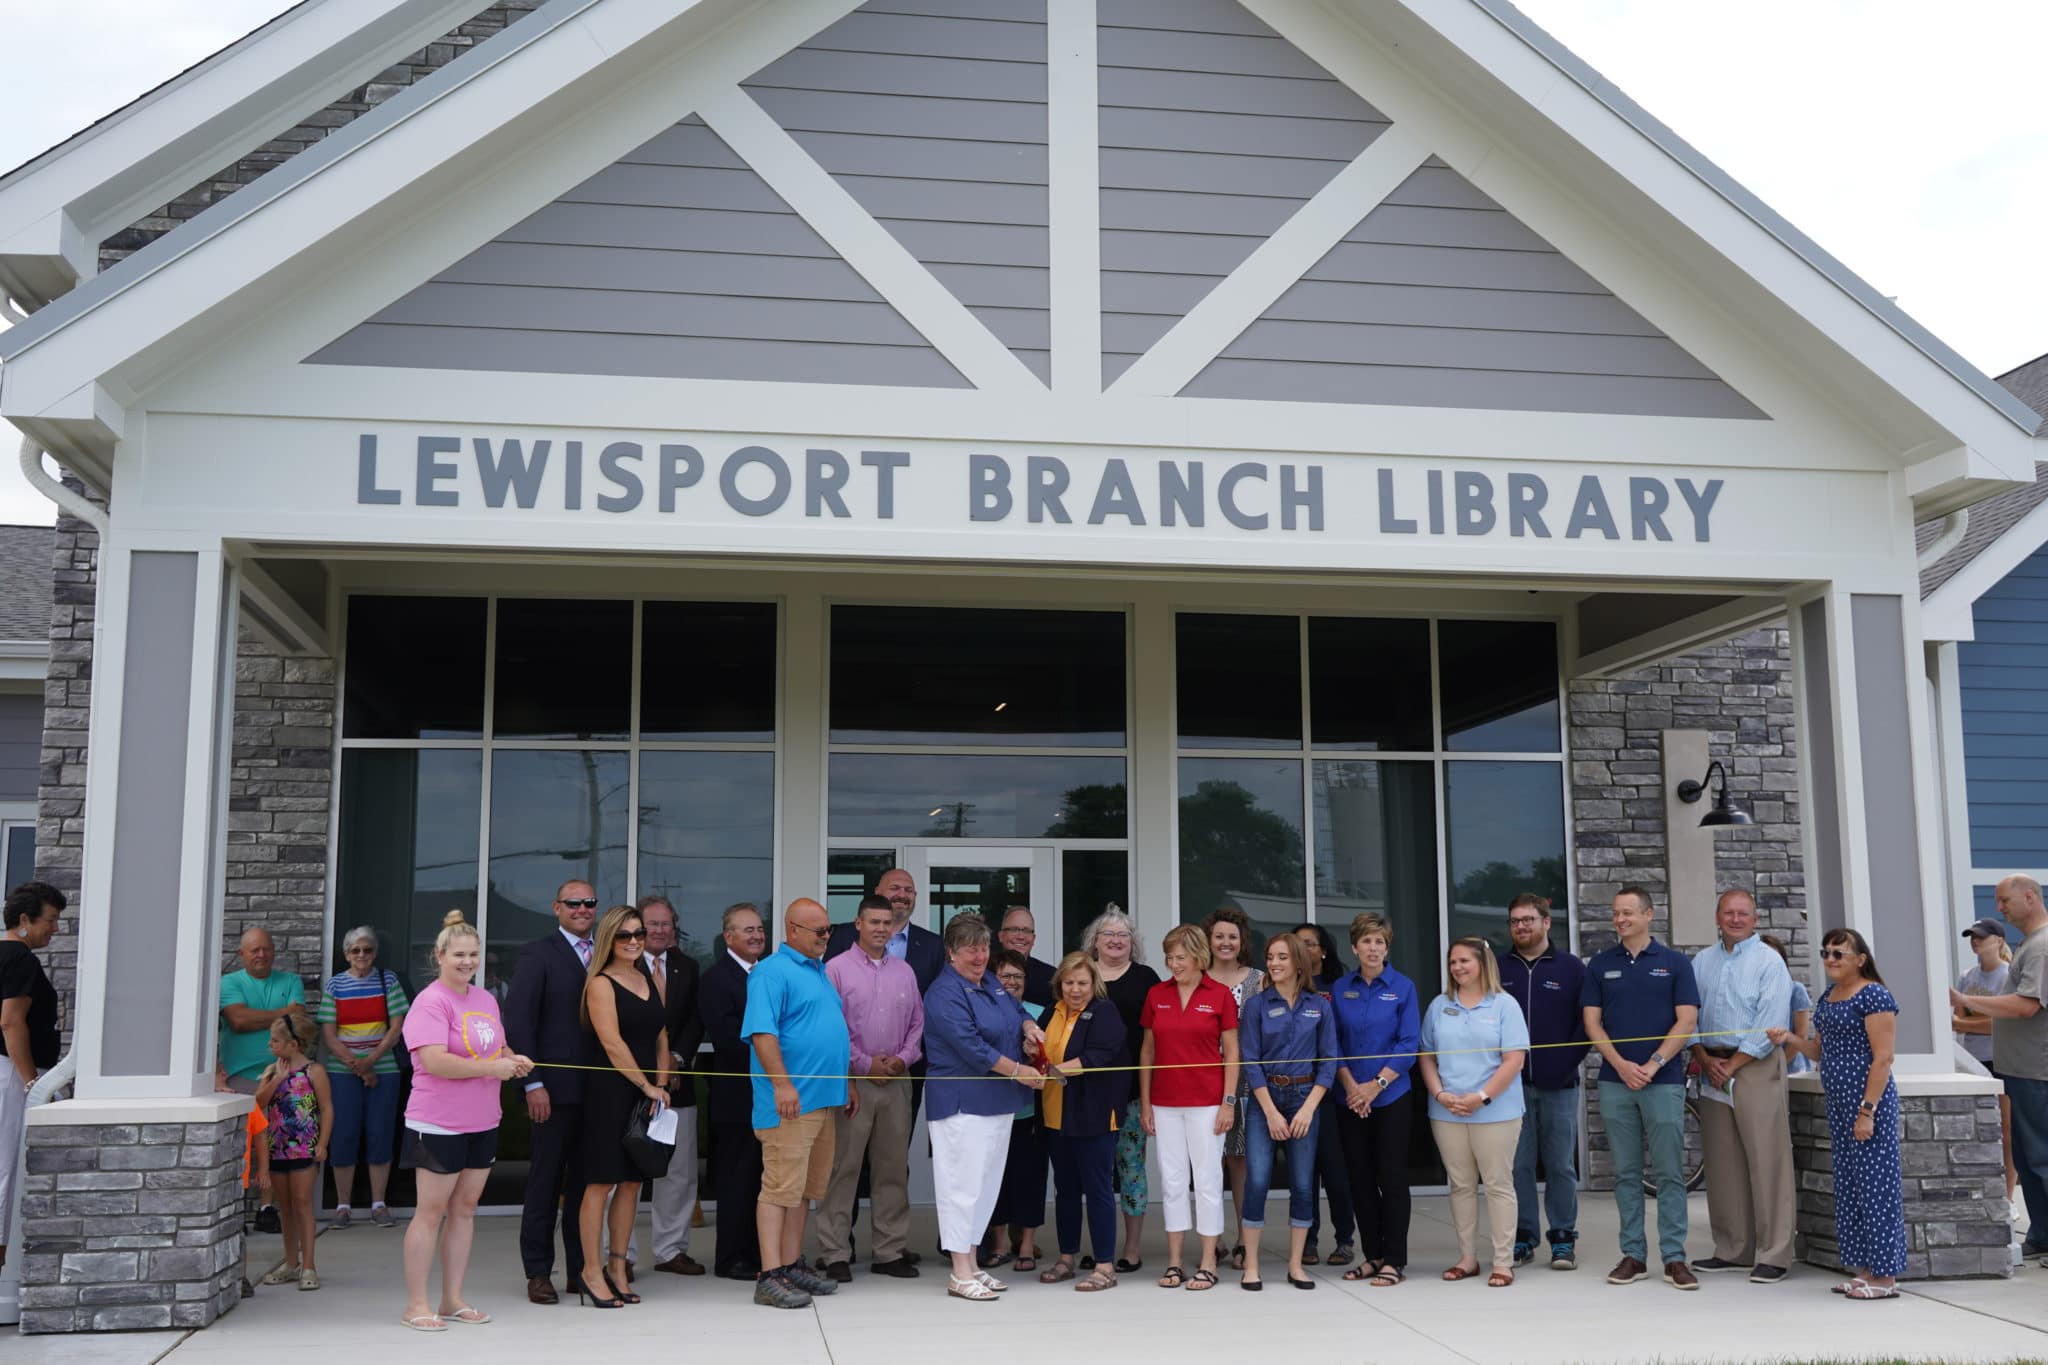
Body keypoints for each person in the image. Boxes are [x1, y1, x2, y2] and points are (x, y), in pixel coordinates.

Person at [399, 911, 534, 1331]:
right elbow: (434, 1060)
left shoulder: (486, 999)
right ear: (439, 956)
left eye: (473, 955)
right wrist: (491, 1069)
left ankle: (452, 1298)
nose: (467, 962)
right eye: (459, 954)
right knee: (430, 1212)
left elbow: (495, 1044)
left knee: (465, 1210)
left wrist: (511, 1059)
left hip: (483, 1120)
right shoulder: (430, 1001)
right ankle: (416, 1304)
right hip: (438, 1120)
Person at [1772, 928, 1904, 1300]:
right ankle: (1864, 1269)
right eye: (1826, 953)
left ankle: (1885, 1277)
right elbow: (1818, 1051)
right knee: (1851, 1188)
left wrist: (1867, 1112)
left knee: (1877, 1188)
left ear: (1860, 959)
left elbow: (1883, 1058)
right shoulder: (1829, 996)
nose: (1830, 959)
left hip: (1866, 1104)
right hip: (1839, 1103)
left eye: (1839, 954)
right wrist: (1789, 1039)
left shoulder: (1875, 995)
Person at [1582, 885, 1701, 1290]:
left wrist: (1652, 1064)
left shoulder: (1675, 964)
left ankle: (1675, 1258)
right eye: (1616, 913)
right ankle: (1633, 1254)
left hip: (1663, 1081)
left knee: (1669, 1173)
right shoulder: (1599, 965)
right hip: (1616, 1082)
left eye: (1628, 913)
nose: (1620, 919)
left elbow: (1686, 1021)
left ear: (1649, 915)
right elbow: (1592, 1024)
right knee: (1627, 1174)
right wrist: (1620, 1064)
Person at [923, 912, 1046, 1302]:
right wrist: (1018, 1070)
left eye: (983, 948)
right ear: (951, 953)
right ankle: (960, 1270)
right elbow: (971, 1047)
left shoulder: (991, 981)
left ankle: (973, 1262)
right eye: (970, 950)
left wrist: (1029, 1030)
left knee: (985, 1187)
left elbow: (1017, 1011)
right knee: (960, 1187)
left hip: (998, 1103)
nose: (979, 957)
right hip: (963, 1104)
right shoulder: (943, 992)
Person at [742, 897, 851, 1309]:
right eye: (819, 931)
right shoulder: (771, 972)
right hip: (790, 1103)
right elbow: (763, 1034)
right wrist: (783, 1085)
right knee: (778, 1190)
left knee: (804, 1191)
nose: (826, 938)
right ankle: (769, 1275)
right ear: (792, 930)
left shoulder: (818, 970)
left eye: (828, 931)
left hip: (823, 1101)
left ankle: (790, 1265)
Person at [1687, 887, 1795, 1284]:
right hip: (1711, 1063)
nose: (1735, 919)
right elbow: (1688, 1014)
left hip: (1754, 1064)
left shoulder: (1769, 962)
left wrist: (1732, 1063)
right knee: (1723, 1162)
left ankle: (1775, 1253)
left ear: (1755, 919)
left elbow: (1772, 1019)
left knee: (1767, 1161)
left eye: (1743, 913)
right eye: (1728, 913)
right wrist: (1701, 1057)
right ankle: (1733, 1248)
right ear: (1717, 917)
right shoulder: (1702, 961)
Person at [504, 880, 602, 1303]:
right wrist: (533, 1082)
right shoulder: (537, 953)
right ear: (556, 907)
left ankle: (581, 1270)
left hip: (599, 1093)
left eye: (589, 903)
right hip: (552, 1091)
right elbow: (520, 1022)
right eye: (573, 903)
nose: (582, 909)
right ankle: (538, 1272)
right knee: (545, 1183)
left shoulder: (607, 952)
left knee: (585, 1185)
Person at [818, 894, 924, 1281]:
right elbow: (832, 1027)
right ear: (858, 924)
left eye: (887, 923)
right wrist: (863, 1063)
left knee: (892, 1169)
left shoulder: (905, 972)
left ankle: (889, 1251)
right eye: (874, 922)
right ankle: (834, 1253)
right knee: (842, 1168)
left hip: (897, 1080)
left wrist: (903, 1058)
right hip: (853, 1082)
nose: (881, 928)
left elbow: (918, 1023)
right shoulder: (835, 970)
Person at [1417, 937, 1529, 1287]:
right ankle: (1467, 1258)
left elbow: (1514, 1059)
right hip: (1447, 1111)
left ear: (1483, 963)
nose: (1457, 968)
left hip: (1496, 1112)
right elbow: (1426, 1055)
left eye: (1464, 960)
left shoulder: (1504, 1005)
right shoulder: (1439, 1005)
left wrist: (1481, 1096)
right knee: (1461, 1186)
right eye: (1453, 962)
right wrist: (1439, 1093)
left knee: (1498, 1185)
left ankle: (1502, 1261)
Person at [575, 905, 670, 1309]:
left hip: (648, 1094)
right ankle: (590, 1271)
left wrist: (661, 1086)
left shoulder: (646, 976)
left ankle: (618, 1267)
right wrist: (647, 1085)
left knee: (633, 1183)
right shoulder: (600, 983)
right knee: (601, 1182)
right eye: (624, 935)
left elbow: (662, 1035)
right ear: (609, 940)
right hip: (609, 1092)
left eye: (639, 935)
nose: (633, 941)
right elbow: (613, 1043)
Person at [1950, 874, 2048, 1262]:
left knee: (2041, 1156)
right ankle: (2041, 1233)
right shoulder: (2030, 945)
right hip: (2019, 1071)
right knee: (2026, 1157)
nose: (2000, 908)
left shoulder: (2041, 948)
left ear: (2029, 897)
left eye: (2004, 900)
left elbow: (2026, 1006)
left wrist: (1963, 1001)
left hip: (2036, 1072)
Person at [1141, 923, 1240, 1292]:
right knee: (1172, 1181)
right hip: (1165, 1104)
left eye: (1180, 957)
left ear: (1198, 957)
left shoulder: (1220, 995)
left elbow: (1233, 1053)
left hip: (1207, 1103)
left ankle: (1209, 1261)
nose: (1173, 963)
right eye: (1169, 957)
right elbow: (1147, 1051)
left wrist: (1228, 1103)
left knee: (1209, 1181)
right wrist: (1147, 1103)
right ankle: (1173, 1262)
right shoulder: (1156, 994)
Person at [1236, 931, 1336, 1291]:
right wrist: (1271, 1112)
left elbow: (1329, 1061)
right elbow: (1250, 1061)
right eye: (1270, 957)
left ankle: (1296, 1265)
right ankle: (1251, 1265)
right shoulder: (1256, 1006)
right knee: (1258, 1181)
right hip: (1266, 1102)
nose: (1274, 964)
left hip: (1306, 1099)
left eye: (1282, 957)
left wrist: (1308, 1108)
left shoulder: (1319, 1005)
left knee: (1302, 1185)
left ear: (1297, 962)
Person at [1498, 892, 1588, 1271]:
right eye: (1515, 920)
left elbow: (1587, 1024)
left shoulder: (1571, 968)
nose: (1521, 926)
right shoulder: (1498, 968)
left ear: (1546, 922)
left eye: (1528, 920)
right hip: (1511, 1087)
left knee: (1560, 1165)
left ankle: (1563, 1238)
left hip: (1560, 1085)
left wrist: (1562, 1065)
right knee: (1517, 1166)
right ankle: (1523, 1237)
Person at [1330, 912, 1419, 1288]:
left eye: (1379, 941)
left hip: (1392, 1098)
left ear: (1387, 947)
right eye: (1366, 941)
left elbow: (1408, 1044)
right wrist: (1353, 1087)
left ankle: (1395, 1259)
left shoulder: (1403, 987)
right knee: (1360, 1179)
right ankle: (1373, 1255)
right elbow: (1331, 1043)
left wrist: (1375, 1086)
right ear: (1354, 947)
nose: (1373, 947)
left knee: (1393, 1178)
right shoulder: (1339, 989)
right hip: (1349, 1098)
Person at [1036, 952, 1128, 1292]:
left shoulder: (1104, 1011)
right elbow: (1037, 1049)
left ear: (1095, 984)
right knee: (1066, 1191)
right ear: (1060, 983)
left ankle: (1104, 1265)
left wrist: (1055, 1071)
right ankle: (1066, 1258)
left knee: (1098, 1190)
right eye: (1069, 982)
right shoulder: (1053, 1011)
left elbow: (1099, 1055)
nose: (1075, 990)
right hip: (1056, 1114)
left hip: (1093, 1116)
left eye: (1082, 983)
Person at [317, 925, 410, 1230]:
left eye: (367, 950)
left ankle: (379, 1204)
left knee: (380, 1133)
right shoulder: (335, 986)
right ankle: (343, 1205)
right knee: (344, 1134)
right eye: (355, 950)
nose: (361, 955)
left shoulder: (389, 980)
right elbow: (329, 1035)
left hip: (383, 1070)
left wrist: (369, 1061)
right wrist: (357, 1065)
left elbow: (396, 1028)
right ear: (346, 954)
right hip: (343, 1073)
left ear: (375, 953)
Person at [219, 925, 308, 1232]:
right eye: (254, 950)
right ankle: (235, 1212)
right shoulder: (228, 982)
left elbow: (298, 1023)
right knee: (241, 1146)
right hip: (239, 1079)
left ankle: (267, 1209)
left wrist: (280, 1016)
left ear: (274, 951)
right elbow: (238, 1020)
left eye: (266, 948)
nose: (261, 954)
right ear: (241, 954)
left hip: (283, 1075)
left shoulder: (291, 980)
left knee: (277, 1143)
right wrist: (283, 1013)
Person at [1085, 906, 1159, 1272]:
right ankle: (1101, 1246)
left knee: (1130, 1167)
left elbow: (1154, 1036)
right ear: (1094, 942)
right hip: (1085, 1091)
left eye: (1123, 935)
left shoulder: (1146, 978)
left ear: (1133, 943)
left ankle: (1131, 1249)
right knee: (1093, 1171)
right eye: (1108, 934)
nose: (1115, 941)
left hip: (1130, 1091)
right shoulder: (1081, 974)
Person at [638, 894, 706, 1277]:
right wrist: (652, 1068)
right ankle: (621, 1255)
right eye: (653, 924)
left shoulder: (687, 967)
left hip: (679, 1084)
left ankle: (671, 1250)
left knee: (678, 1172)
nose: (660, 931)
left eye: (666, 924)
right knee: (626, 1172)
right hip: (632, 1084)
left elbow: (696, 1020)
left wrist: (676, 1058)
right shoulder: (621, 966)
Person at [699, 902, 767, 1280]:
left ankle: (761, 1253)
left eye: (759, 929)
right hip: (736, 1098)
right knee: (736, 1180)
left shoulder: (769, 974)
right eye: (747, 930)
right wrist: (777, 1055)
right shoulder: (716, 979)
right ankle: (731, 1258)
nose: (756, 935)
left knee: (763, 1180)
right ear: (729, 937)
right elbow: (728, 1040)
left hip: (769, 1097)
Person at [0, 881, 62, 1275]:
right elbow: (10, 1022)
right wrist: (31, 1084)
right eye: (50, 920)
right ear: (24, 920)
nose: (54, 929)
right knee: (4, 1172)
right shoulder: (20, 959)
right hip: (10, 1074)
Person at [1292, 922, 1356, 1265]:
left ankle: (1344, 1238)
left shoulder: (1339, 987)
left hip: (1333, 1093)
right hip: (1295, 1090)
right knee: (1304, 1173)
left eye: (1311, 944)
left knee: (1335, 1170)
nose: (1305, 949)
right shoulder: (1288, 988)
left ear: (1324, 950)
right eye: (1298, 944)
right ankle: (1308, 1239)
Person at [252, 1010, 331, 1290]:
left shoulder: (314, 1072)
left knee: (302, 1203)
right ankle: (290, 1262)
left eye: (274, 1041)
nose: (270, 1046)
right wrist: (275, 1079)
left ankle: (308, 1265)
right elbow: (258, 1103)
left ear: (293, 1045)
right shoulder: (271, 1071)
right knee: (284, 1206)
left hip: (304, 1150)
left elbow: (326, 1108)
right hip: (277, 1149)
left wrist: (322, 1143)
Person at [1204, 905, 1264, 1269]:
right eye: (1219, 936)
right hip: (1204, 1079)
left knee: (1240, 1160)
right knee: (1208, 1162)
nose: (1225, 942)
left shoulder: (1258, 979)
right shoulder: (1197, 977)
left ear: (1242, 942)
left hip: (1246, 1081)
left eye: (1232, 937)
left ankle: (1244, 1237)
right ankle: (1215, 1239)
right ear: (1209, 941)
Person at [981, 948, 1047, 1271]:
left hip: (1031, 1111)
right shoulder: (984, 1011)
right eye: (1005, 976)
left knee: (1031, 1177)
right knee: (996, 1178)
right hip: (993, 1106)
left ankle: (1027, 1244)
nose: (1012, 982)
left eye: (1018, 977)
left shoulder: (1038, 1012)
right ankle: (999, 1242)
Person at [1953, 918, 2015, 1200]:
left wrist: (1970, 1022)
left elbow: (2003, 1023)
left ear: (1998, 940)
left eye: (1981, 936)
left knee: (2007, 1130)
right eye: (1972, 937)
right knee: (1978, 1127)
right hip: (1973, 1060)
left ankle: (2008, 1196)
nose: (1975, 941)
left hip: (2001, 1059)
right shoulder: (1968, 976)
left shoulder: (2008, 976)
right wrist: (1978, 1022)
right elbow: (1955, 1020)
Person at [1761, 934, 1814, 1078]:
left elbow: (1801, 1035)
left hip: (1792, 1071)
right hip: (1762, 1071)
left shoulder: (1796, 990)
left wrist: (1779, 1067)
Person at [998, 906, 1058, 1007]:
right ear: (1001, 936)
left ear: (1033, 939)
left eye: (1026, 931)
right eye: (1014, 929)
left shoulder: (1052, 977)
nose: (1020, 936)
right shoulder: (985, 973)